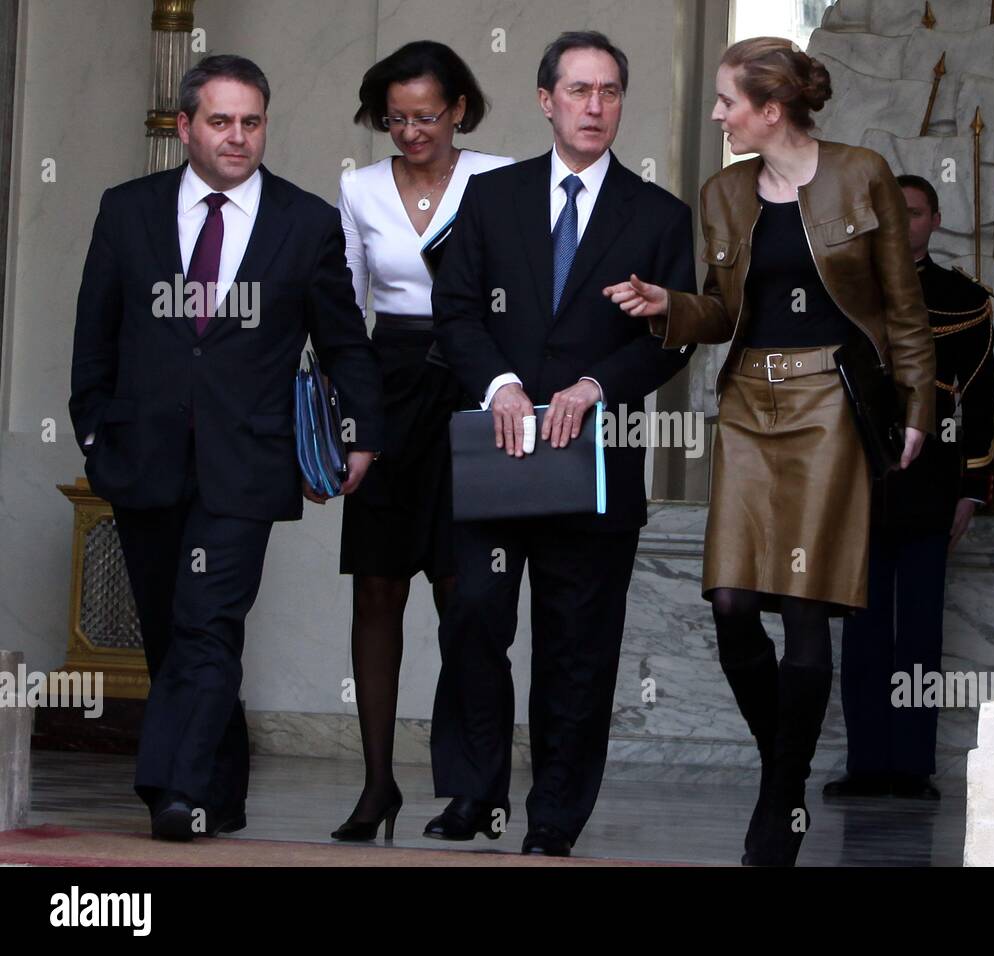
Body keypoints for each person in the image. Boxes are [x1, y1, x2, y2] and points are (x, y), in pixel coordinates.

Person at [604, 37, 935, 865]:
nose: (718, 114)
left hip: (831, 401)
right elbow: (719, 313)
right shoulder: (722, 192)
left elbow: (903, 305)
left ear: (772, 108)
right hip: (748, 401)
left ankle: (776, 804)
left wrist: (919, 408)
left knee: (804, 606)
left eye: (728, 101)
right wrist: (665, 304)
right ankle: (782, 774)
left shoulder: (861, 174)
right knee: (730, 603)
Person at [69, 55, 383, 841]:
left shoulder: (305, 222)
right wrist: (93, 431)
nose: (238, 137)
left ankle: (172, 790)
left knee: (207, 620)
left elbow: (346, 345)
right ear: (185, 127)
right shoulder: (127, 210)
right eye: (220, 121)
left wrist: (360, 434)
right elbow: (94, 336)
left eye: (251, 121)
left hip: (246, 462)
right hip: (143, 456)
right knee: (175, 630)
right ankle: (224, 784)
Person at [426, 31, 695, 857]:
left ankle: (554, 818)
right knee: (473, 617)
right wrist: (500, 384)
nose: (594, 106)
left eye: (609, 91)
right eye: (578, 90)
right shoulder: (492, 197)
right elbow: (456, 310)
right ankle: (472, 792)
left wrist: (594, 388)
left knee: (577, 649)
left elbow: (674, 336)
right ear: (546, 101)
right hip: (497, 452)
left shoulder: (659, 216)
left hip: (594, 465)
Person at [325, 41, 513, 843]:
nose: (410, 131)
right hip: (389, 384)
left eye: (426, 116)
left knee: (463, 592)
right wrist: (352, 417)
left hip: (474, 386)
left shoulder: (499, 178)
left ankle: (473, 787)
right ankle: (376, 786)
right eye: (395, 118)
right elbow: (348, 312)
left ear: (459, 110)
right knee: (376, 585)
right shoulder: (357, 187)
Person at [824, 173, 994, 801]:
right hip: (859, 481)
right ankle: (867, 763)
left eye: (917, 211)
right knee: (863, 627)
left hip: (930, 484)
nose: (906, 221)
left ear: (935, 220)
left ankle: (912, 766)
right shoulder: (846, 291)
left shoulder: (964, 300)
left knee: (919, 629)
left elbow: (981, 401)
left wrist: (971, 489)